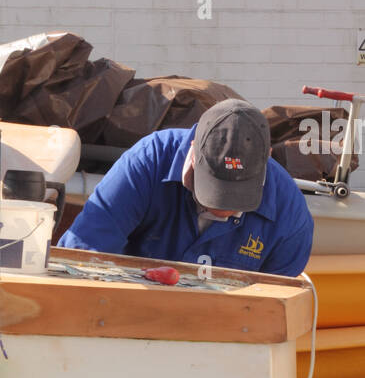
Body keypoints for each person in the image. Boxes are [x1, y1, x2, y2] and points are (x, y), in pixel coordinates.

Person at [59, 99, 314, 276]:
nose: (221, 211)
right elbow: (80, 258)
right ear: (193, 151)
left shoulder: (289, 214)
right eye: (213, 191)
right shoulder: (147, 163)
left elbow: (274, 310)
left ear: (266, 161)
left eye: (236, 198)